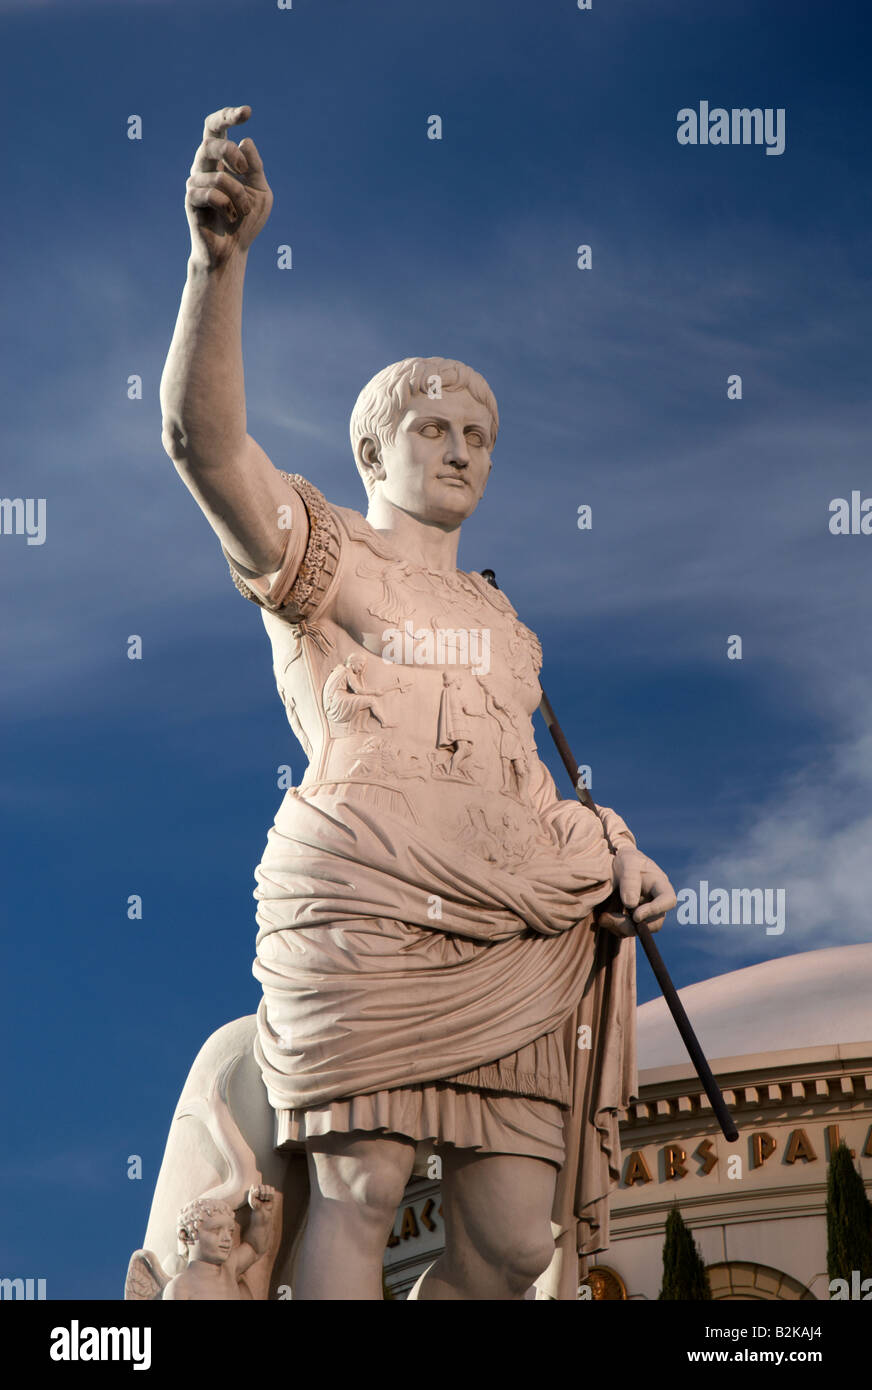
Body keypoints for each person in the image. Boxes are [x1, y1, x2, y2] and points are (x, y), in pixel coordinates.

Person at [160, 106, 677, 1301]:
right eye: (432, 430)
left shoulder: (504, 621)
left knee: (509, 1244)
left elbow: (520, 775)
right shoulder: (326, 554)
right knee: (357, 1195)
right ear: (370, 453)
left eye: (478, 436)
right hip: (369, 899)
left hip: (512, 924)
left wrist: (614, 851)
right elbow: (201, 438)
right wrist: (217, 261)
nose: (458, 451)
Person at [164, 1186, 278, 1301]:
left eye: (231, 1231)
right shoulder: (180, 1286)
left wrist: (261, 1212)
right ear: (186, 1236)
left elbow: (255, 1248)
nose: (227, 1238)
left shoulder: (229, 1267)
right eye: (216, 1230)